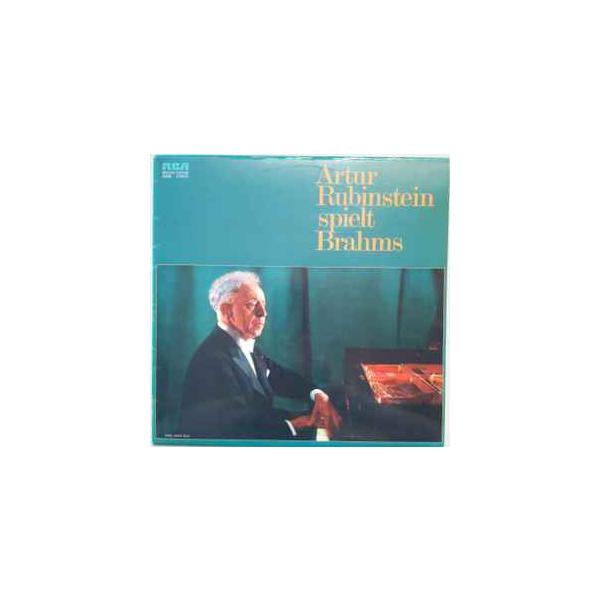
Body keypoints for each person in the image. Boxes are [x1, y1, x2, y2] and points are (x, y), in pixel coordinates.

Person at [178, 271, 342, 439]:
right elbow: (234, 428)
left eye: (263, 305)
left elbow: (280, 377)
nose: (263, 313)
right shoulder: (212, 360)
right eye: (252, 305)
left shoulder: (244, 345)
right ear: (226, 311)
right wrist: (293, 425)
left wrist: (317, 394)